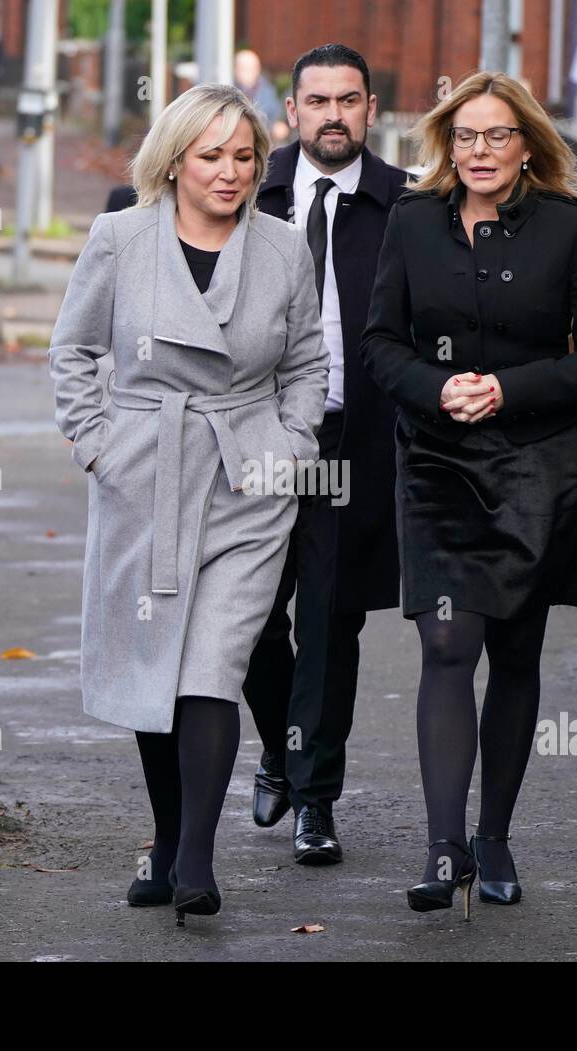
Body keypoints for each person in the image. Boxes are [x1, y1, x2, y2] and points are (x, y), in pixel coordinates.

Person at [48, 83, 327, 926]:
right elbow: (72, 349)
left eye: (245, 156)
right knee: (152, 669)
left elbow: (308, 363)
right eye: (212, 156)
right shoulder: (120, 237)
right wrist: (97, 445)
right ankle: (167, 843)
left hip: (249, 481)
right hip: (145, 475)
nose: (231, 172)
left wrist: (293, 448)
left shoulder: (282, 248)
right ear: (173, 161)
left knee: (212, 663)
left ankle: (198, 861)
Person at [360, 71, 577, 919]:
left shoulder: (564, 228)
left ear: (526, 146)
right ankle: (443, 850)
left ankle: (495, 837)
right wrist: (439, 389)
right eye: (466, 136)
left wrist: (507, 390)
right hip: (438, 460)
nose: (480, 151)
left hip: (535, 467)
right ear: (448, 142)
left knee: (514, 654)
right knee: (447, 646)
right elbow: (379, 344)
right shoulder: (410, 221)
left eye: (497, 136)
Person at [245, 43, 409, 865]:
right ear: (294, 112)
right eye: (318, 101)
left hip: (354, 438)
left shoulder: (404, 205)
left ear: (370, 110)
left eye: (349, 100)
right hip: (256, 439)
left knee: (331, 621)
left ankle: (315, 798)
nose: (334, 115)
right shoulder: (251, 190)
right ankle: (278, 748)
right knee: (250, 621)